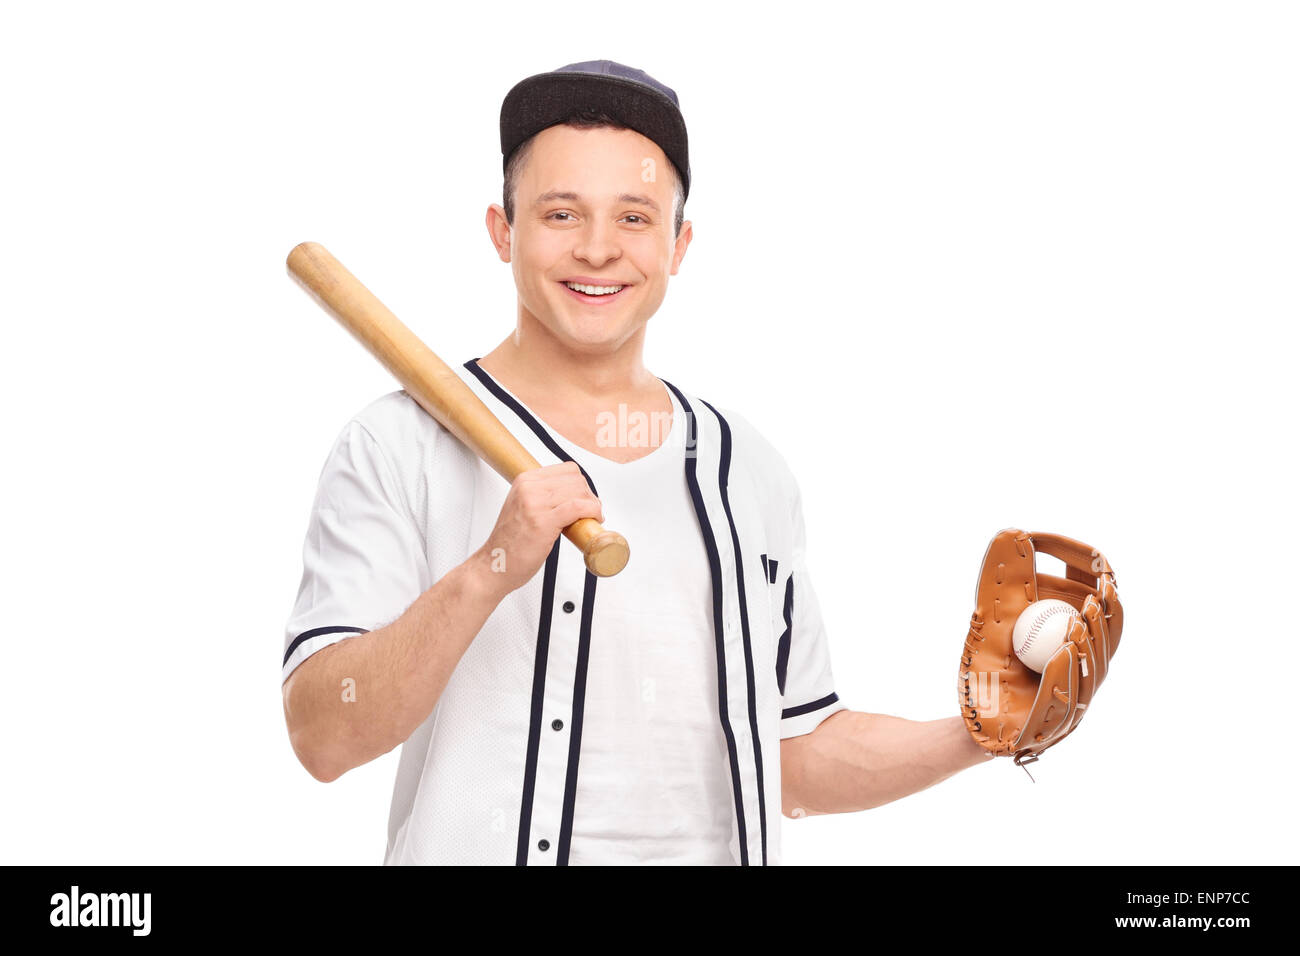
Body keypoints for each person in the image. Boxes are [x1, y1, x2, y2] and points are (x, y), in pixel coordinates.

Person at [281, 60, 989, 865]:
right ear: (501, 230)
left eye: (633, 218)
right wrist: (492, 567)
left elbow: (792, 756)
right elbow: (323, 735)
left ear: (678, 244)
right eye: (559, 213)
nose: (596, 250)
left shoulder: (746, 471)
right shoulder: (395, 447)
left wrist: (981, 735)